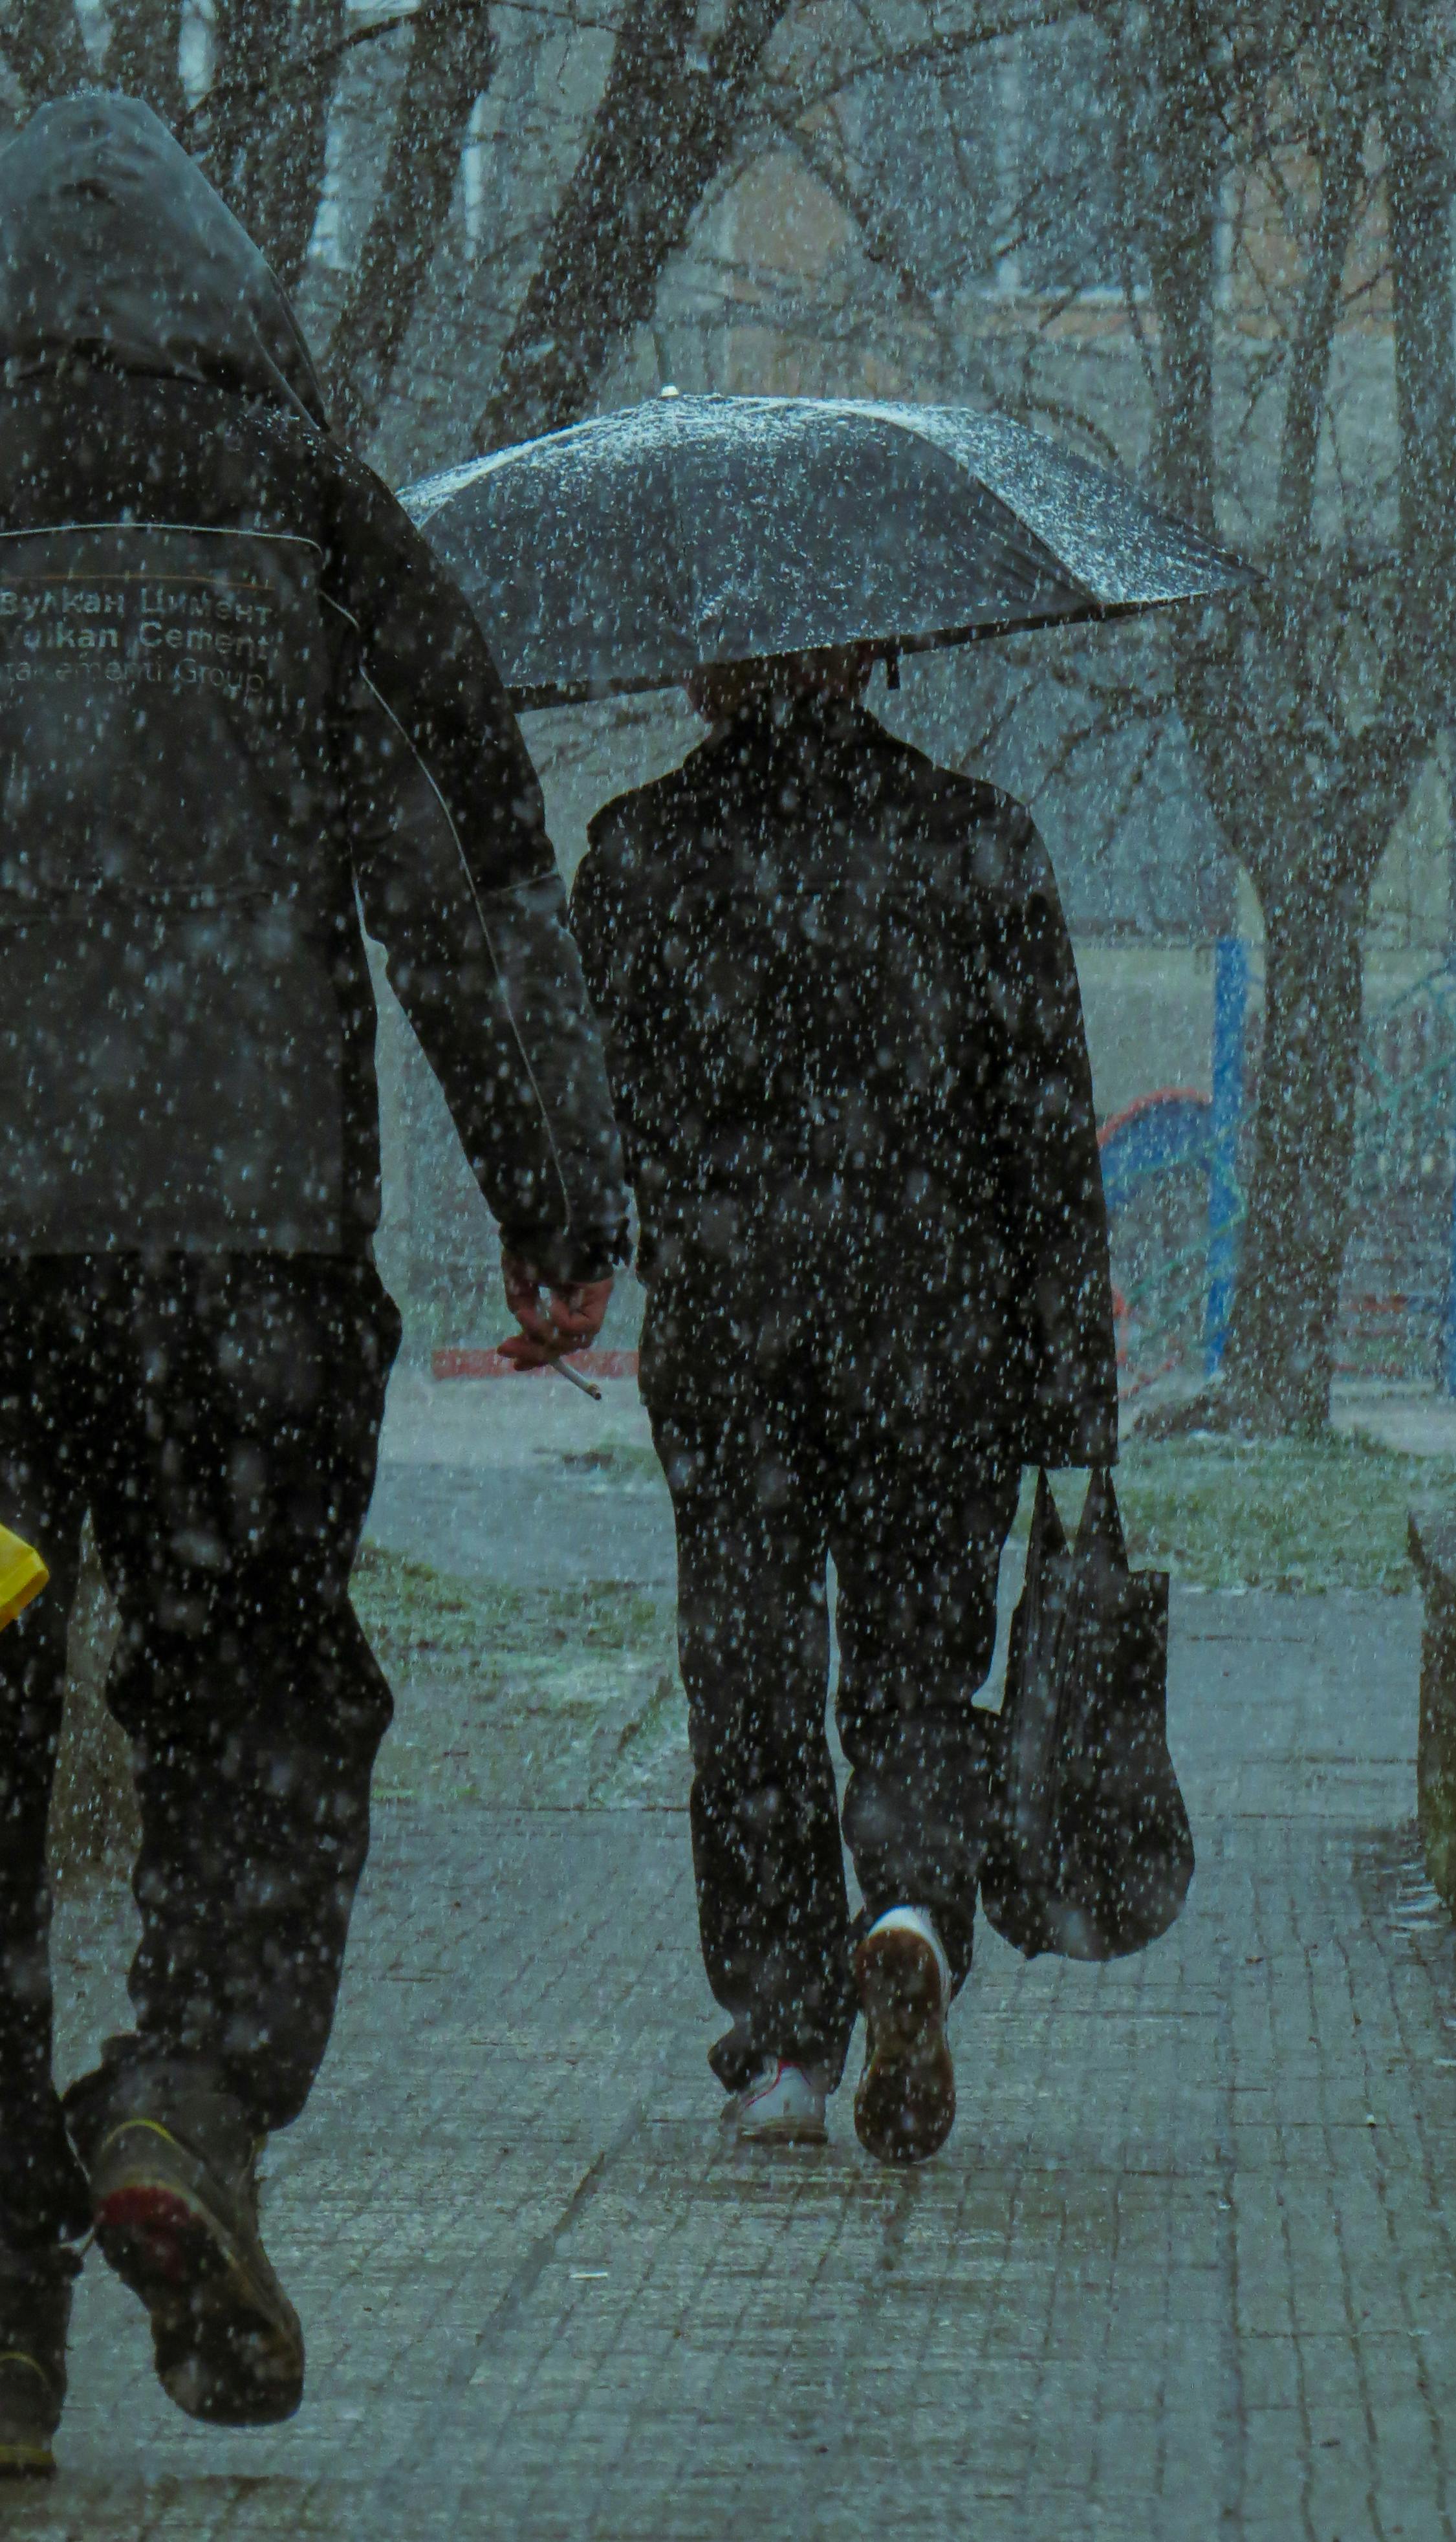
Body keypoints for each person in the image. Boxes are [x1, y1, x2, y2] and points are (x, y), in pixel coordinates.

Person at [0, 98, 627, 2472]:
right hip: (244, 1277)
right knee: (256, 1709)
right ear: (228, 295)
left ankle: (5, 2344)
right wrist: (555, 1198)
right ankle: (182, 2095)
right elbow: (466, 880)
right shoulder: (312, 524)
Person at [570, 644, 1115, 2166]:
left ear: (700, 672)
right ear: (873, 653)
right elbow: (1048, 1138)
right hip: (933, 1336)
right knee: (916, 1669)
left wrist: (594, 1237)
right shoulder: (976, 840)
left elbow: (589, 1104)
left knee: (745, 1670)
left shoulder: (634, 857)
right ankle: (906, 1908)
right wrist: (1078, 1399)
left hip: (733, 1341)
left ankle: (785, 2048)